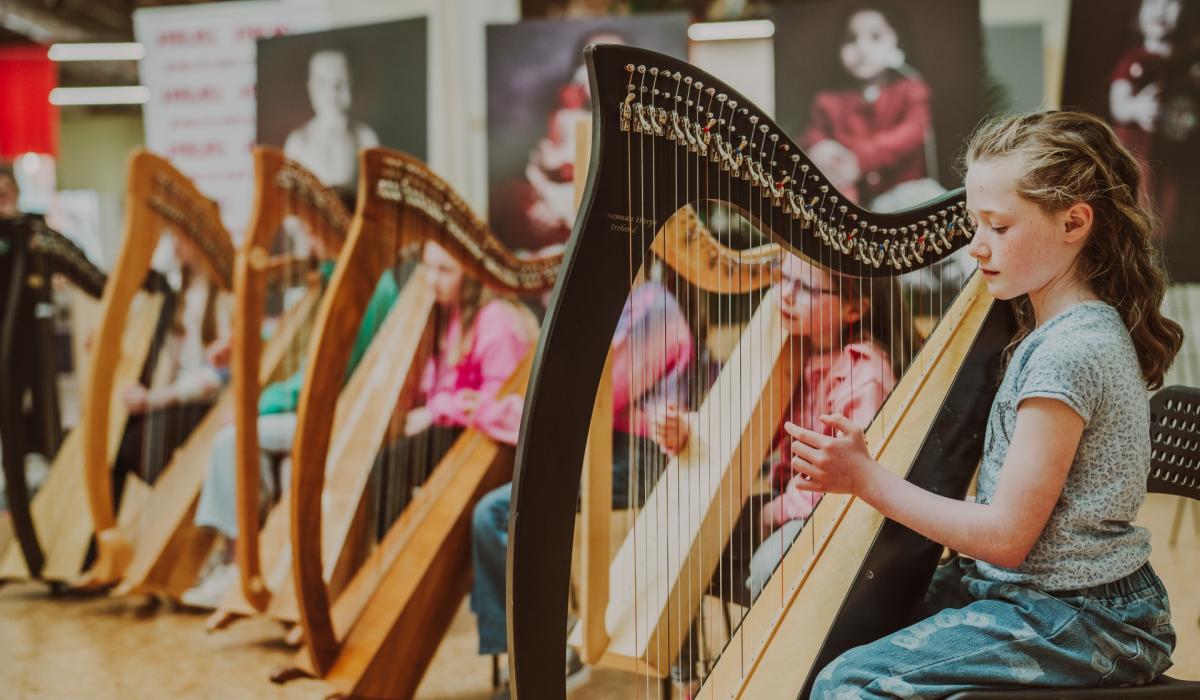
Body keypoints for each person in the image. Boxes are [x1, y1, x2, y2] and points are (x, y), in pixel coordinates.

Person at [802, 111, 1182, 697]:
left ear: (1075, 221)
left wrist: (865, 478)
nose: (976, 248)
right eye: (974, 225)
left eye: (999, 227)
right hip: (1034, 594)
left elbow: (1007, 538)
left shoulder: (1070, 352)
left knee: (847, 682)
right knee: (839, 616)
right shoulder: (1057, 330)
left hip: (1079, 617)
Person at [183, 240, 534, 607]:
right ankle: (380, 578)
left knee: (386, 468)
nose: (432, 280)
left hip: (483, 440)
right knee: (369, 466)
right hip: (454, 427)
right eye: (428, 268)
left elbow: (499, 400)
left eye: (445, 271)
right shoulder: (448, 315)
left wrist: (435, 410)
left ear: (473, 275)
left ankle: (397, 582)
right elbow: (439, 386)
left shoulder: (495, 321)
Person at [656, 253, 914, 696]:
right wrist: (686, 432)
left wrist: (769, 514)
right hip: (792, 506)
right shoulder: (792, 353)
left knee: (768, 564)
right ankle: (690, 681)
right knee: (678, 536)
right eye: (783, 281)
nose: (785, 297)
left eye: (807, 290)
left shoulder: (862, 374)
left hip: (837, 516)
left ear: (854, 309)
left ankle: (779, 682)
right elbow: (738, 429)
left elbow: (843, 483)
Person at [470, 278, 695, 699]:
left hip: (644, 452)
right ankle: (546, 646)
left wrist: (489, 410)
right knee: (492, 513)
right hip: (603, 445)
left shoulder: (653, 308)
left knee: (498, 512)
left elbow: (590, 401)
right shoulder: (608, 301)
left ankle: (551, 649)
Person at [111, 237, 231, 513]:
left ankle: (186, 508)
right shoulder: (181, 294)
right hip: (182, 397)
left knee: (133, 448)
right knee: (126, 443)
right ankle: (181, 507)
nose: (176, 245)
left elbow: (218, 377)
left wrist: (155, 399)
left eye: (181, 237)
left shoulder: (224, 297)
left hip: (208, 403)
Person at [802, 4, 936, 208]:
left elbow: (912, 133)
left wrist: (858, 160)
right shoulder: (828, 101)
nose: (862, 48)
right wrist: (820, 147)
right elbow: (813, 135)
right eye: (851, 39)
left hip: (903, 196)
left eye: (875, 37)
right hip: (851, 202)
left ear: (897, 39)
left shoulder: (912, 89)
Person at [283, 49, 379, 191]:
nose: (332, 91)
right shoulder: (298, 142)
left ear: (352, 83)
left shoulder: (366, 138)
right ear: (311, 88)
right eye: (322, 83)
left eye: (341, 81)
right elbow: (290, 202)